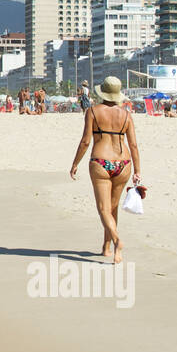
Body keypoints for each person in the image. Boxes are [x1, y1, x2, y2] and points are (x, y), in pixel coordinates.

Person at [68, 75, 142, 264]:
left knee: (103, 208)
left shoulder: (92, 111)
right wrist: (137, 171)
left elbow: (85, 141)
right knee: (113, 208)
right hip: (123, 163)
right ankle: (106, 247)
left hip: (101, 161)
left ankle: (116, 241)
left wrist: (75, 163)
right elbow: (133, 145)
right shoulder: (126, 114)